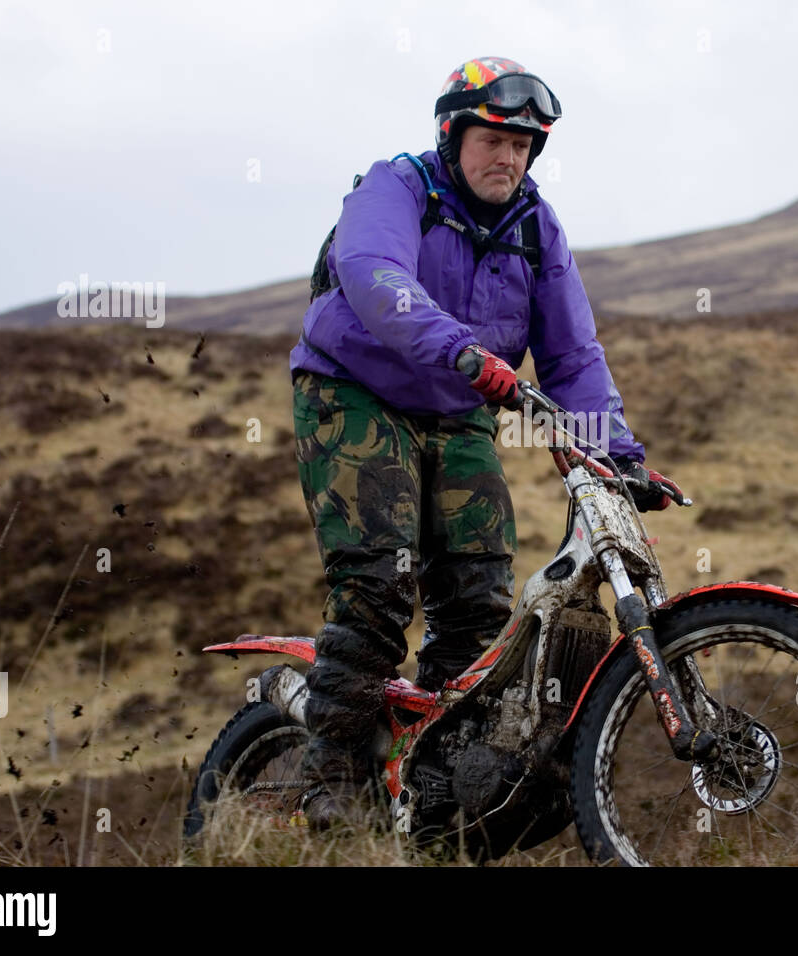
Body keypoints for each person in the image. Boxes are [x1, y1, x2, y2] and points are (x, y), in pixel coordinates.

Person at [286, 55, 680, 830]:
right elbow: (371, 272)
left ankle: (432, 783)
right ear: (452, 133)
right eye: (494, 139)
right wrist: (462, 350)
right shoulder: (397, 187)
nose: (509, 157)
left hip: (459, 405)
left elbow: (572, 356)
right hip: (354, 389)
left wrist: (621, 458)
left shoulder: (537, 226)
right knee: (378, 583)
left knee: (478, 598)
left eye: (525, 145)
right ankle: (328, 780)